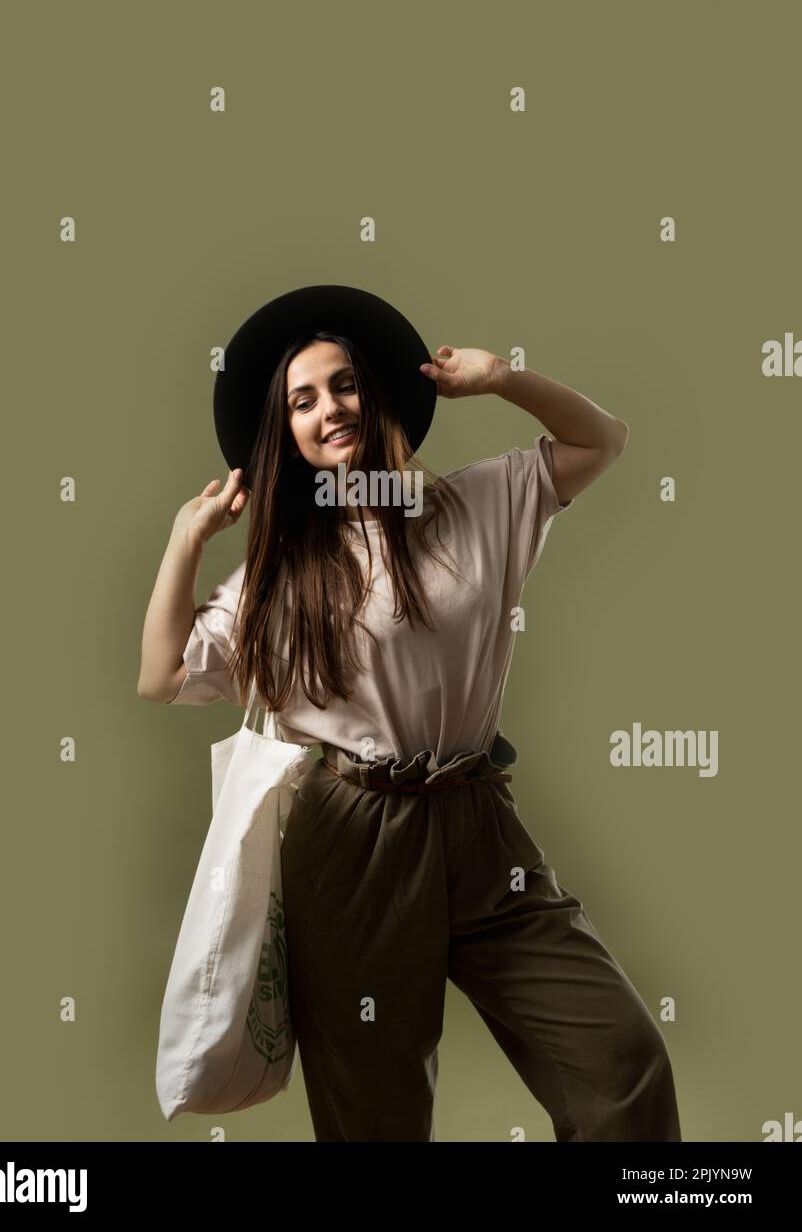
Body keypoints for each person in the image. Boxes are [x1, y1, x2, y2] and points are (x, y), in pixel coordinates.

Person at [138, 285, 682, 1143]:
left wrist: (505, 378)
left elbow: (600, 439)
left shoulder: (479, 506)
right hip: (352, 840)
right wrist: (184, 541)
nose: (331, 409)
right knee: (374, 1116)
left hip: (478, 822)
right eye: (303, 401)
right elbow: (163, 674)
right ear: (287, 434)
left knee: (622, 1060)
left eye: (344, 384)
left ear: (378, 390)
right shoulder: (279, 579)